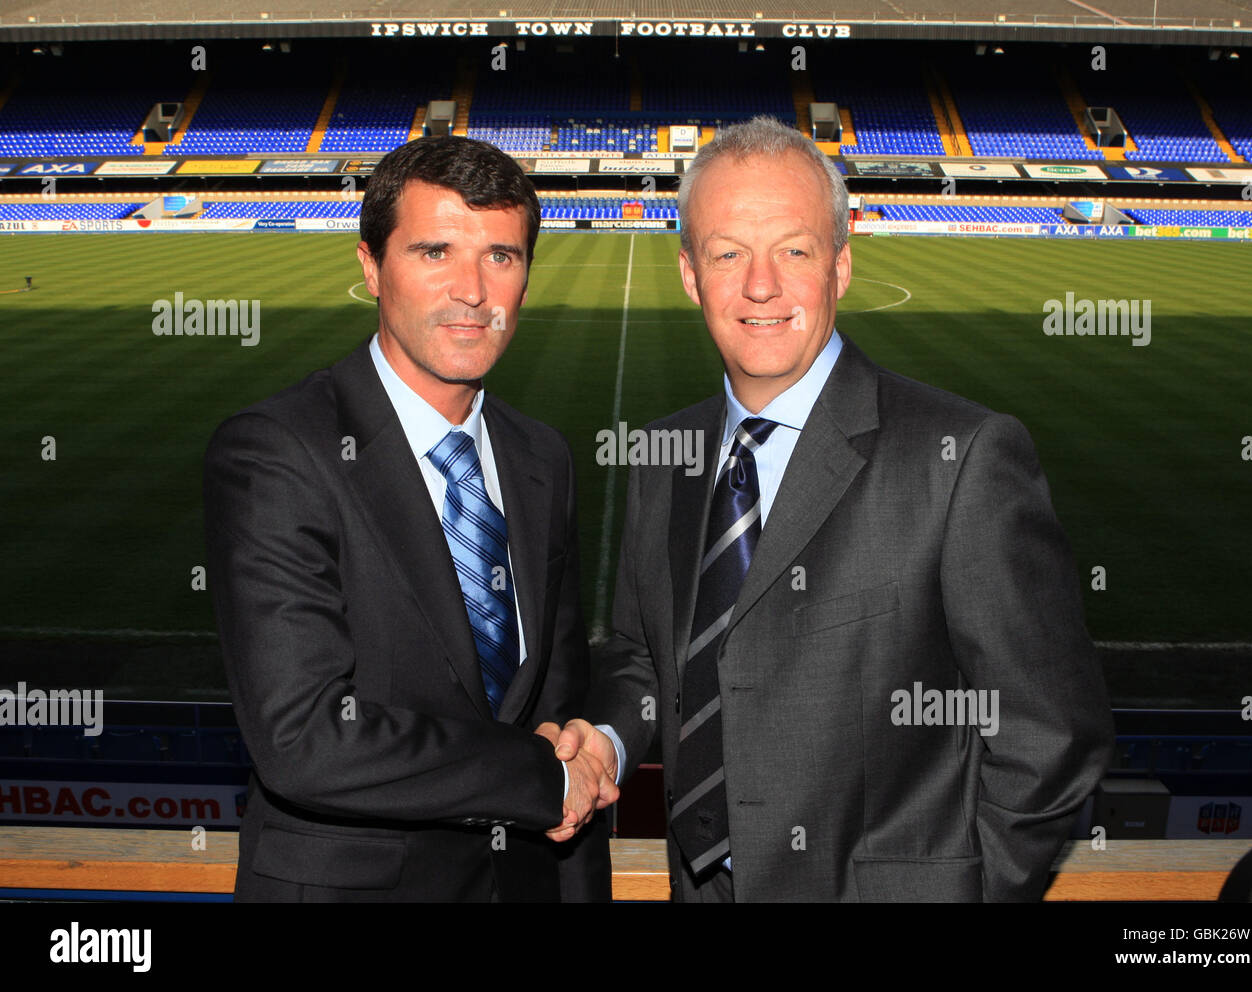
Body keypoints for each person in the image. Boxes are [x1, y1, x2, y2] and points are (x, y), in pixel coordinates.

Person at [554, 116, 1114, 901]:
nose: (760, 285)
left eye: (794, 249)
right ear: (689, 274)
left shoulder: (961, 457)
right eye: (727, 254)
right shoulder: (661, 455)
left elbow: (1053, 732)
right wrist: (607, 743)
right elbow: (644, 660)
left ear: (841, 266)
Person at [204, 136, 614, 902]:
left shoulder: (541, 457)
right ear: (370, 267)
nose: (472, 289)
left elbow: (556, 699)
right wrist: (542, 781)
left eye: (502, 255)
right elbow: (305, 738)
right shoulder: (278, 452)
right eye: (435, 252)